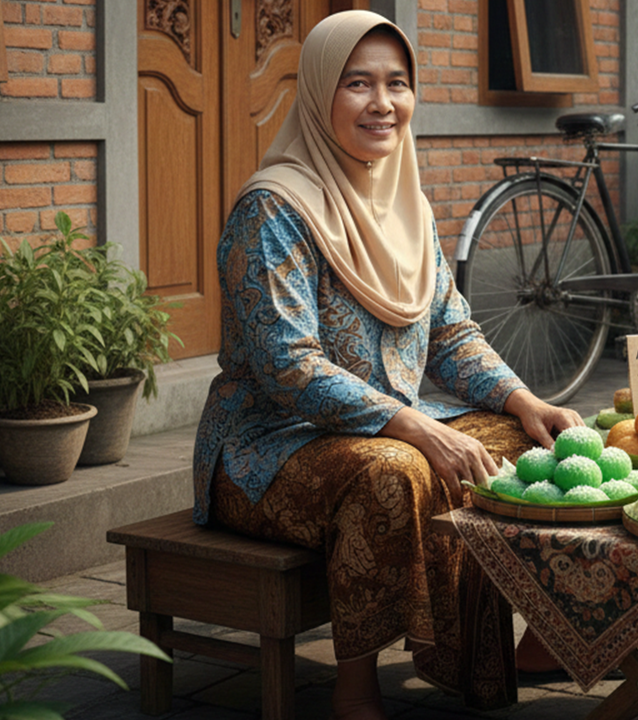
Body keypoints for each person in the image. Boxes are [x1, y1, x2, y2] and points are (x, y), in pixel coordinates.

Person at [190, 12, 582, 719]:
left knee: (529, 443)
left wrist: (525, 400)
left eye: (397, 84)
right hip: (265, 449)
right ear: (319, 93)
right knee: (396, 472)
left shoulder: (407, 204)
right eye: (358, 84)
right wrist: (414, 426)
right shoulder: (273, 209)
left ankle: (519, 645)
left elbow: (450, 334)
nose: (383, 103)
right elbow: (288, 366)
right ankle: (355, 689)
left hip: (380, 426)